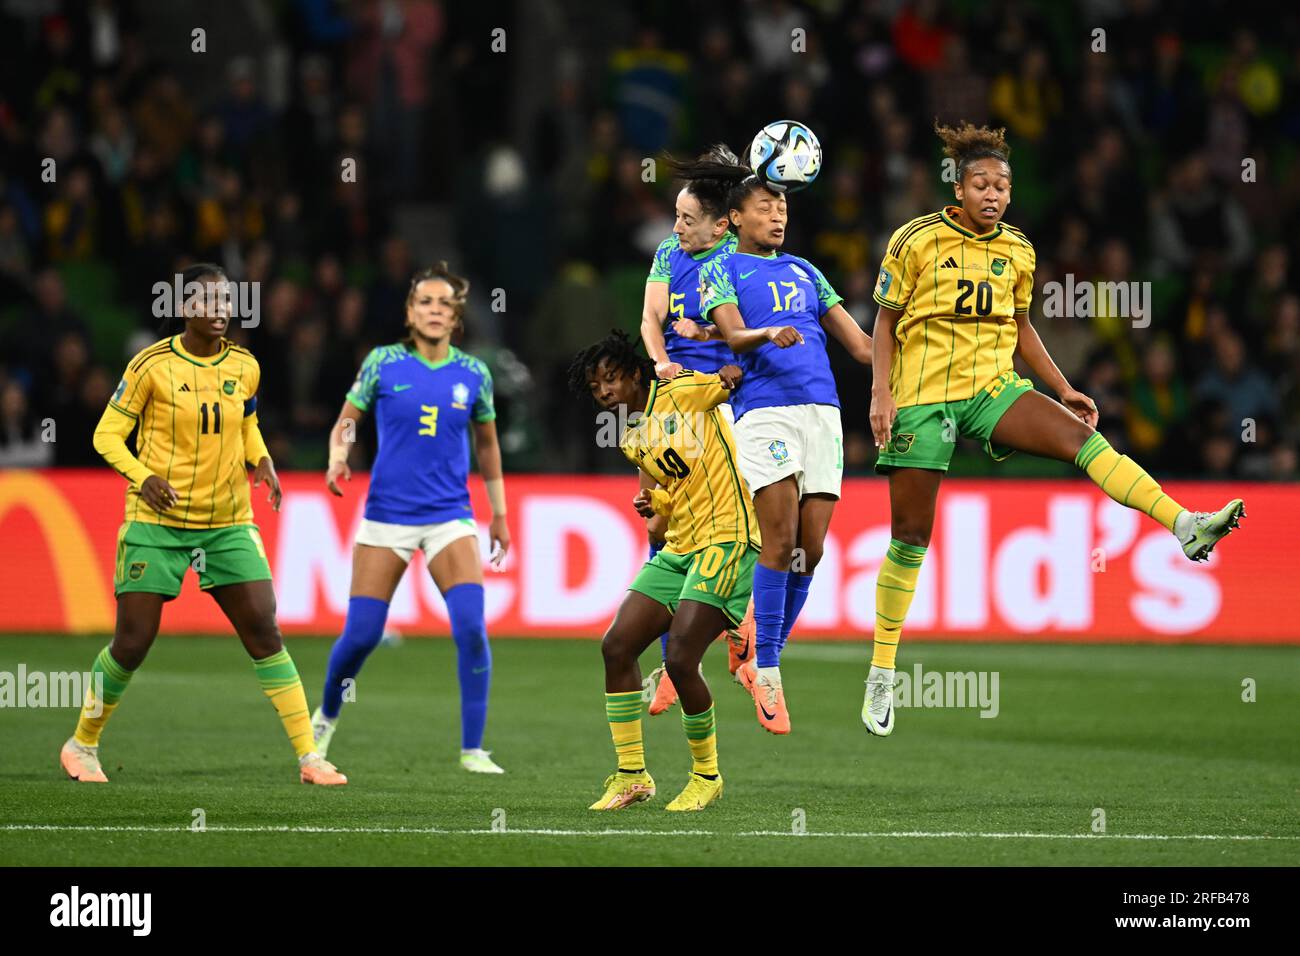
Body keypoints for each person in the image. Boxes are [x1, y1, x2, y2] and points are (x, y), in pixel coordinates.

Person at [864, 122, 1245, 737]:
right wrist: (881, 393)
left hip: (993, 388)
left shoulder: (1017, 250)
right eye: (981, 184)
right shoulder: (914, 241)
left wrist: (1061, 384)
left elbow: (1020, 327)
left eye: (1002, 186)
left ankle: (1184, 524)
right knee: (911, 536)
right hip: (923, 396)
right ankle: (883, 671)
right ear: (958, 188)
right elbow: (884, 323)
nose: (993, 194)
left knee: (1079, 438)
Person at [60, 263, 346, 786]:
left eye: (225, 301)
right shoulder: (150, 366)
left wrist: (260, 459)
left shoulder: (246, 365)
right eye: (205, 302)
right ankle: (82, 744)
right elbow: (106, 436)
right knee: (133, 640)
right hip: (158, 521)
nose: (218, 311)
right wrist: (142, 477)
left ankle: (310, 757)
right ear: (182, 307)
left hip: (226, 521)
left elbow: (248, 422)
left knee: (264, 627)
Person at [690, 158, 873, 735]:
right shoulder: (720, 271)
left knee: (811, 550)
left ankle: (760, 654)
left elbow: (865, 349)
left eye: (784, 207)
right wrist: (766, 332)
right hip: (765, 413)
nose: (777, 214)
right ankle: (766, 667)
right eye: (765, 207)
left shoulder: (807, 271)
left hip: (823, 413)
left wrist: (912, 323)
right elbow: (732, 332)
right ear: (736, 217)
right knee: (780, 537)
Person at [315, 263, 510, 774]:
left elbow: (487, 446)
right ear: (409, 312)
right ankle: (326, 717)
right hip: (388, 516)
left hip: (450, 516)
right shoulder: (382, 363)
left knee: (470, 627)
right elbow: (346, 424)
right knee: (361, 634)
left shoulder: (474, 374)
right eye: (425, 302)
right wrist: (339, 457)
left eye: (444, 304)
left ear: (455, 317)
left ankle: (473, 749)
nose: (434, 311)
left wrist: (499, 514)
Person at [569, 330, 759, 810]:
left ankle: (706, 775)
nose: (605, 392)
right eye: (596, 388)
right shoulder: (632, 438)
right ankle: (632, 774)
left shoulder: (679, 390)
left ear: (635, 374)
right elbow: (667, 509)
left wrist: (729, 373)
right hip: (680, 547)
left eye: (610, 380)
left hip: (727, 537)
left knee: (679, 660)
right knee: (617, 646)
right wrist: (654, 504)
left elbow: (729, 377)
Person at [639, 144, 756, 715]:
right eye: (677, 217)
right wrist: (660, 359)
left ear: (718, 223)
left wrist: (706, 340)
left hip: (724, 399)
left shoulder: (739, 255)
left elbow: (751, 331)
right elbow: (650, 317)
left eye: (688, 219)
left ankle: (731, 633)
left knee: (723, 526)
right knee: (660, 524)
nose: (677, 227)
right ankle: (679, 653)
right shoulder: (667, 252)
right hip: (673, 400)